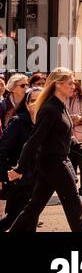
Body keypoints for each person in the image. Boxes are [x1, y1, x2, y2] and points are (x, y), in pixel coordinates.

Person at [6, 70, 82, 232]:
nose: (74, 86)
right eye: (70, 83)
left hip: (52, 165)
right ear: (58, 84)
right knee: (74, 207)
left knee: (34, 207)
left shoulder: (59, 106)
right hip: (55, 164)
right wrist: (19, 169)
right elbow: (33, 141)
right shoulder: (50, 109)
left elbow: (67, 138)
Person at [0, 88, 37, 231]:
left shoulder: (45, 122)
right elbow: (2, 151)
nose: (36, 104)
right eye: (33, 100)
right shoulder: (18, 123)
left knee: (30, 218)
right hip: (19, 181)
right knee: (13, 219)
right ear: (27, 104)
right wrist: (2, 177)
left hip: (38, 180)